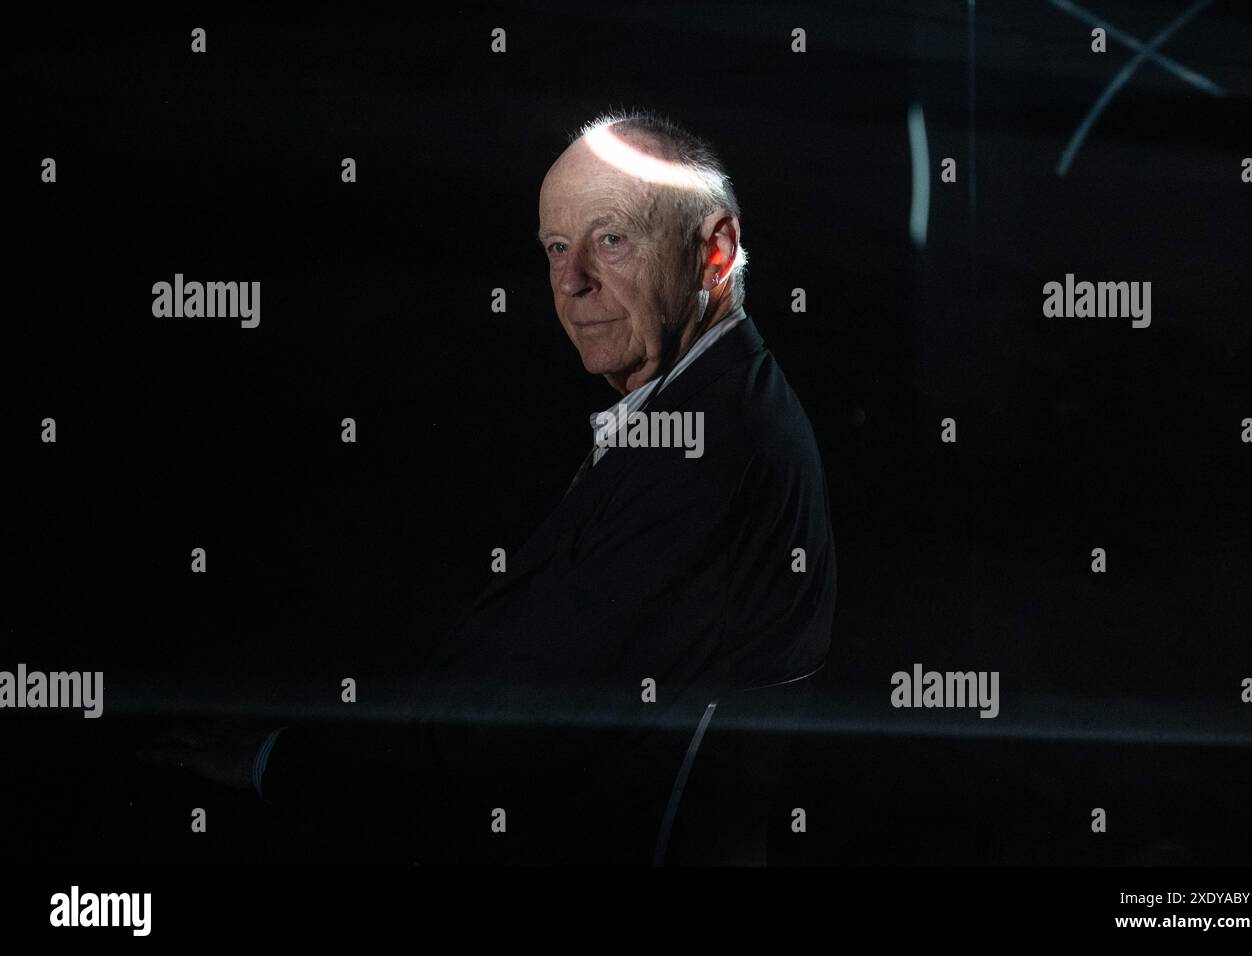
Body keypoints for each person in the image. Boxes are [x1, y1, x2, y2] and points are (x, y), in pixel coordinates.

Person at [141, 110, 837, 864]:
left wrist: (269, 763)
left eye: (612, 240)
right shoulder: (705, 404)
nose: (571, 283)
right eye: (555, 248)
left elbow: (507, 736)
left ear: (715, 253)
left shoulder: (707, 457)